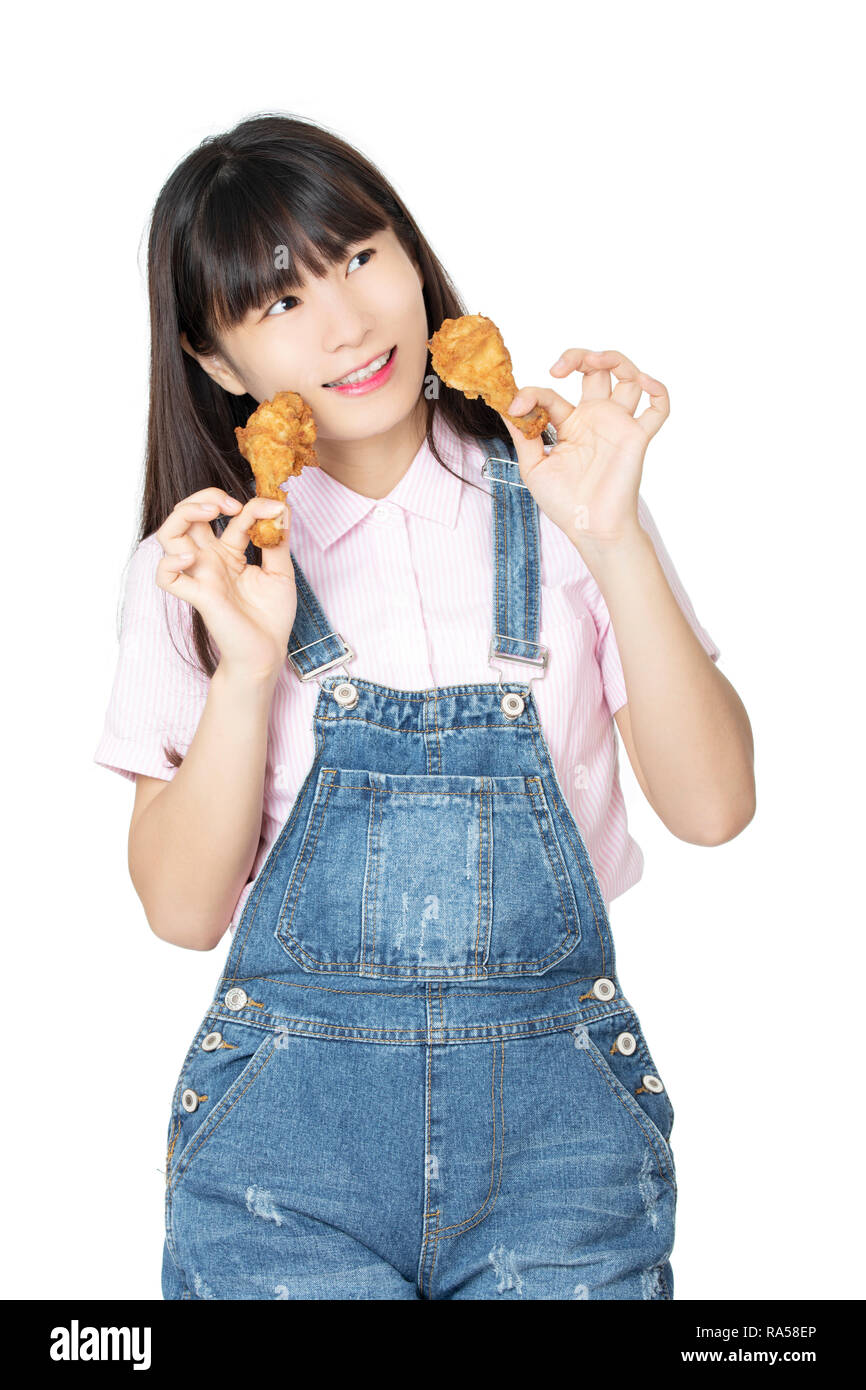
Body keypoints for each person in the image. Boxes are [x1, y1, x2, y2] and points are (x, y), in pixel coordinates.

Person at [94, 113, 755, 1301]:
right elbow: (183, 913)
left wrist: (613, 540)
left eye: (358, 257)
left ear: (411, 261)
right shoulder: (200, 566)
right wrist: (248, 671)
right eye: (279, 303)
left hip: (563, 1156)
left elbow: (711, 809)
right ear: (218, 360)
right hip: (283, 1168)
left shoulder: (566, 491)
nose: (347, 323)